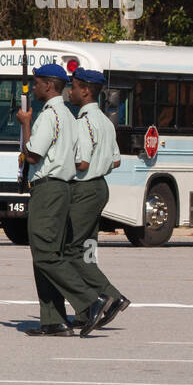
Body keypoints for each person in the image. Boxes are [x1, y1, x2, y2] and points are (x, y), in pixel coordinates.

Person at [15, 64, 112, 337]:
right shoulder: (70, 116)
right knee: (47, 255)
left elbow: (33, 155)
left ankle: (91, 301)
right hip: (63, 189)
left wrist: (25, 125)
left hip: (48, 189)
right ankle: (54, 320)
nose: (33, 88)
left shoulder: (49, 116)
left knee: (45, 254)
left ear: (48, 85)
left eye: (36, 83)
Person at [66, 67, 130, 329]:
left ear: (86, 91)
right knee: (87, 251)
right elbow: (115, 160)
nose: (70, 91)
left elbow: (81, 162)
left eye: (73, 86)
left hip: (83, 188)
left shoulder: (83, 122)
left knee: (70, 250)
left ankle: (109, 297)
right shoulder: (104, 120)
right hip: (100, 186)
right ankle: (85, 312)